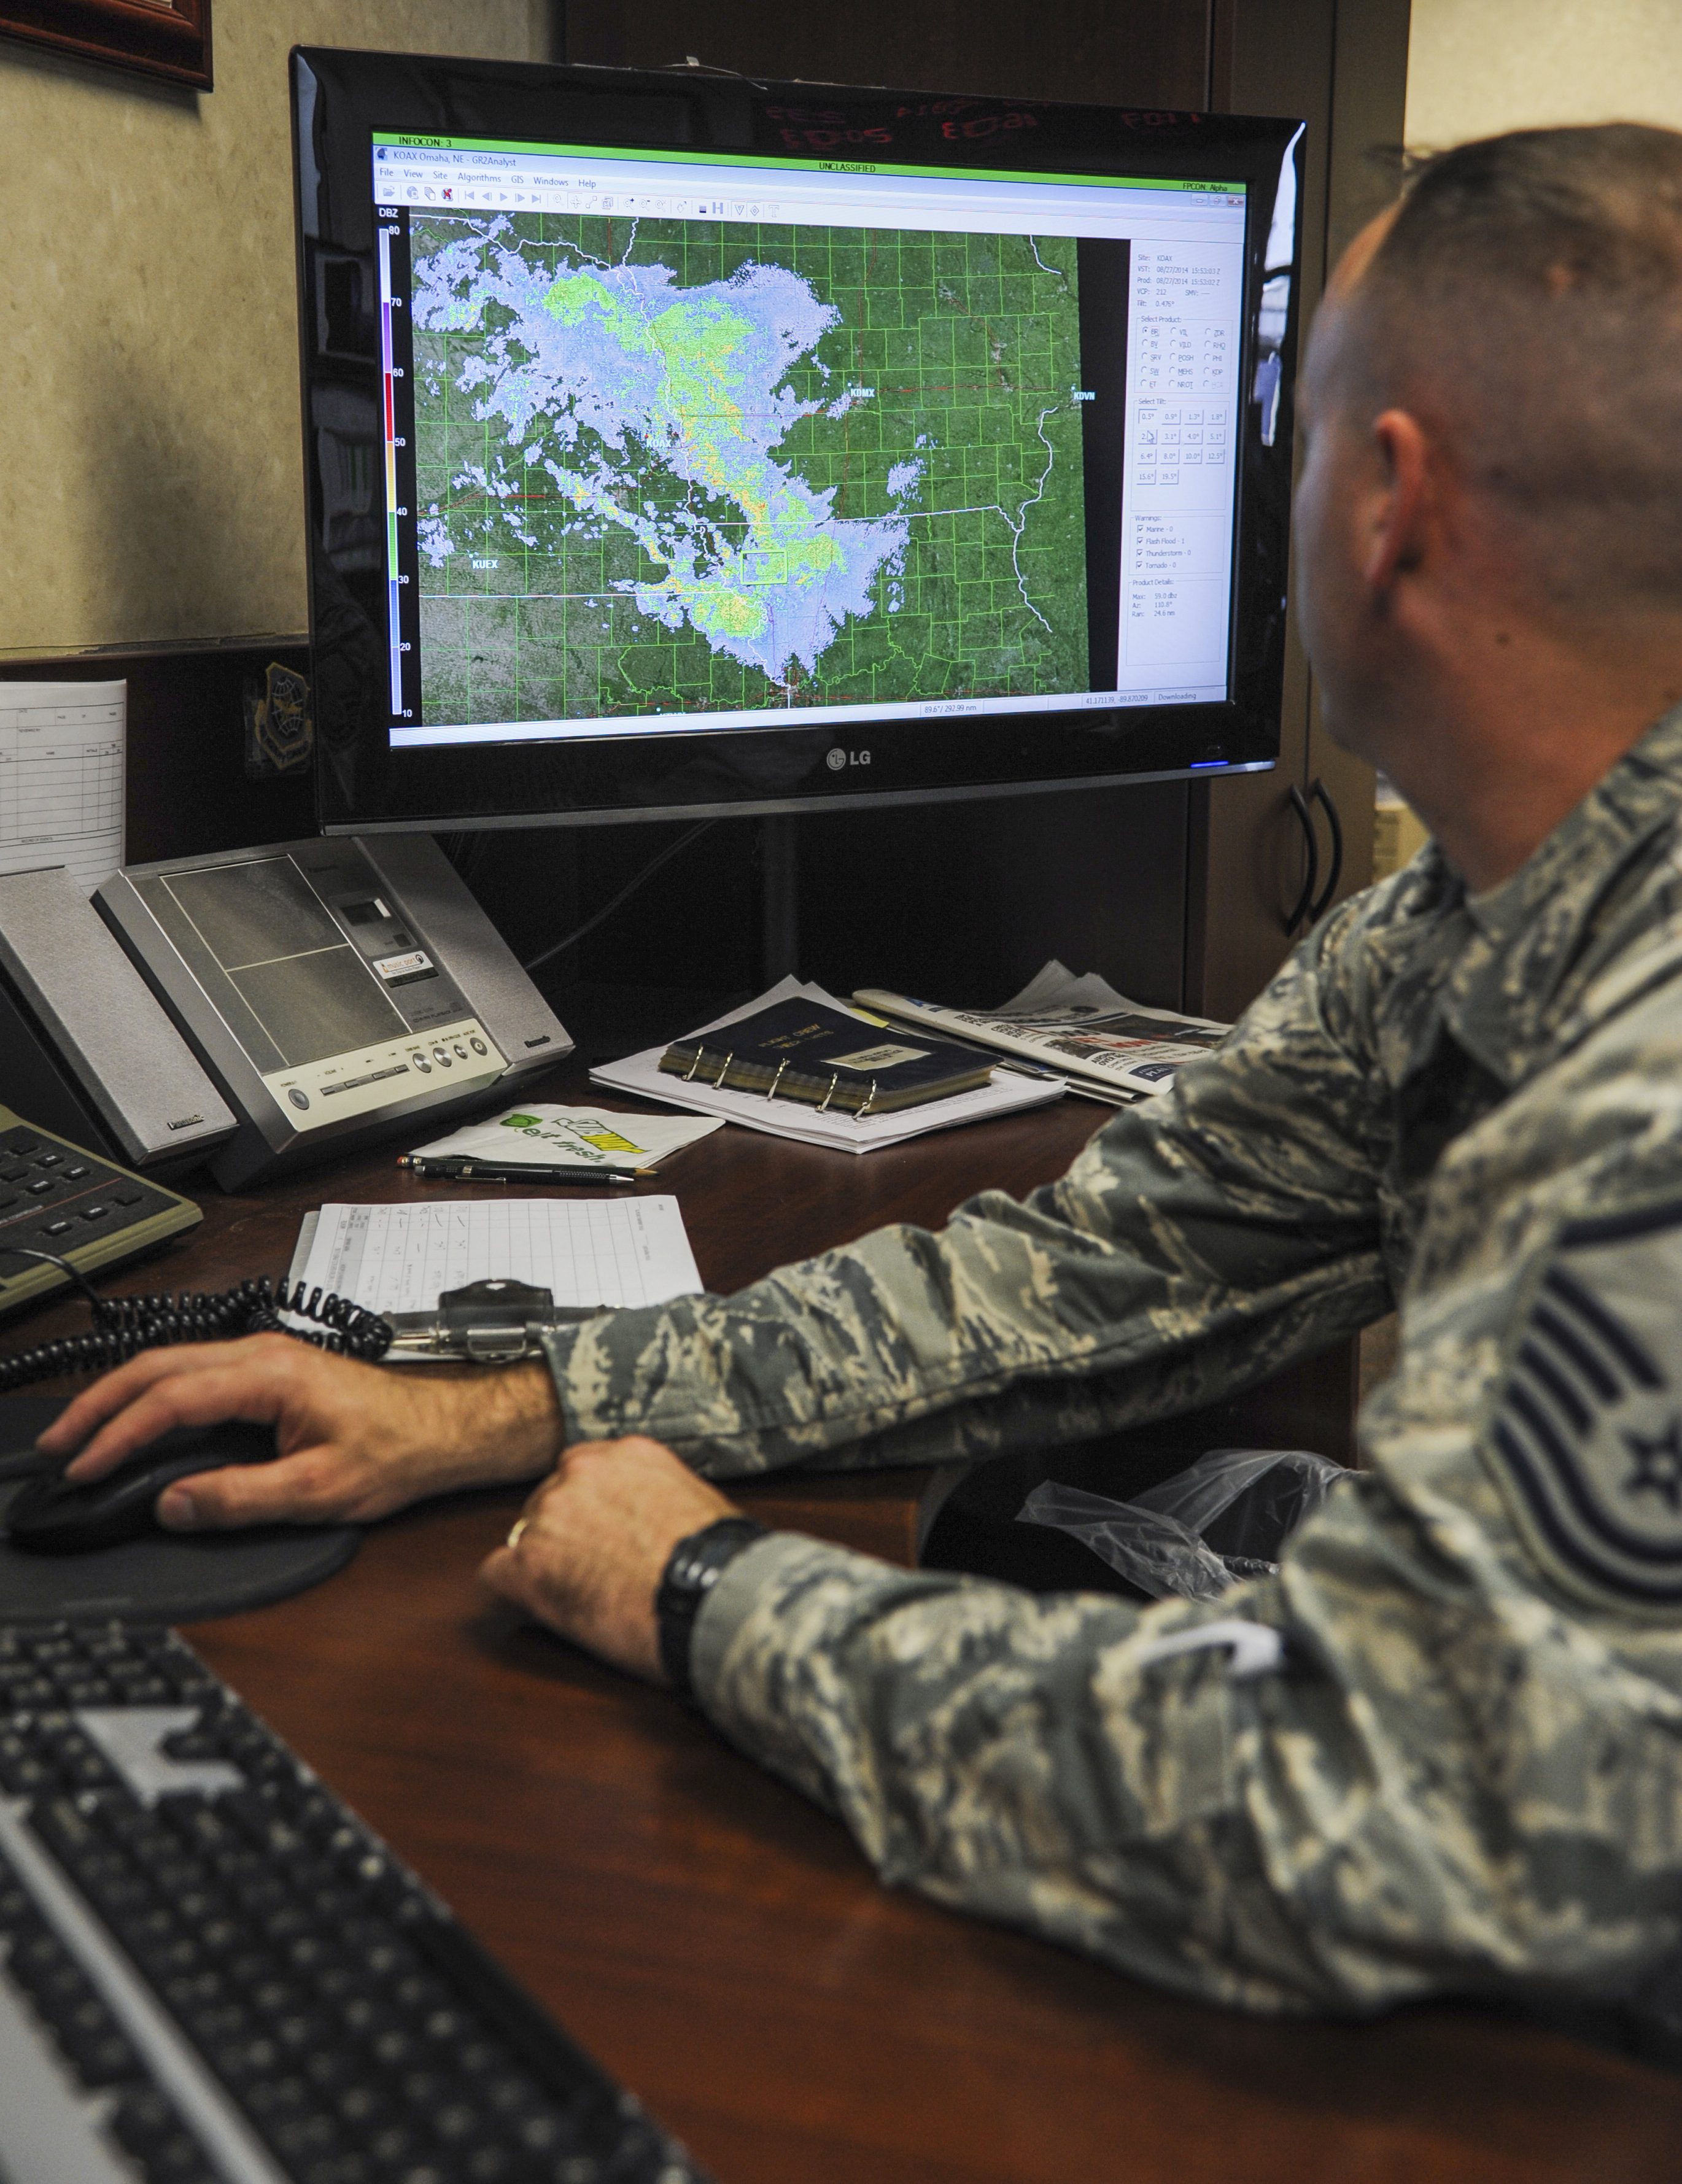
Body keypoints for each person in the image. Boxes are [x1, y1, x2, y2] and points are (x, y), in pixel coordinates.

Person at [40, 123, 1682, 2039]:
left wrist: (702, 1590)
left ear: (1384, 502)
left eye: (1292, 432)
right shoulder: (1470, 927)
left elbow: (1379, 1808)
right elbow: (1082, 1278)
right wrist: (493, 1413)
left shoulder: (1637, 1083)